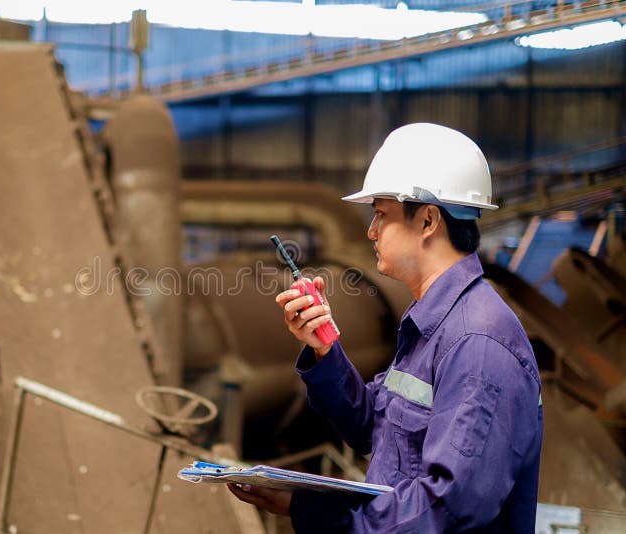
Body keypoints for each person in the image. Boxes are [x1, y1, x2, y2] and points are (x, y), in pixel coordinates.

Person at [227, 123, 543, 532]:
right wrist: (323, 348)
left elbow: (442, 511)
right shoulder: (434, 323)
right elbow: (375, 427)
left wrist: (312, 511)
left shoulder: (477, 342)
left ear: (428, 220)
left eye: (380, 214)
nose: (370, 231)